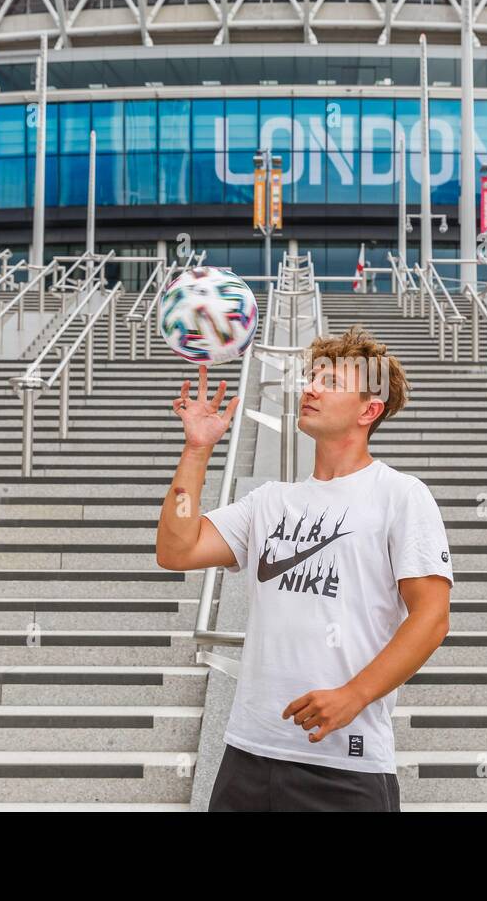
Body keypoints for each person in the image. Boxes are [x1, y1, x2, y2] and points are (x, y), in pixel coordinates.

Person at [155, 325, 453, 812]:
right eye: (311, 376)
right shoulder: (269, 502)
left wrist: (353, 695)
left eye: (330, 381)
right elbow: (176, 550)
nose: (310, 388)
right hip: (249, 754)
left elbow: (432, 618)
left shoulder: (401, 495)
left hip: (345, 763)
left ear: (368, 409)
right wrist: (196, 451)